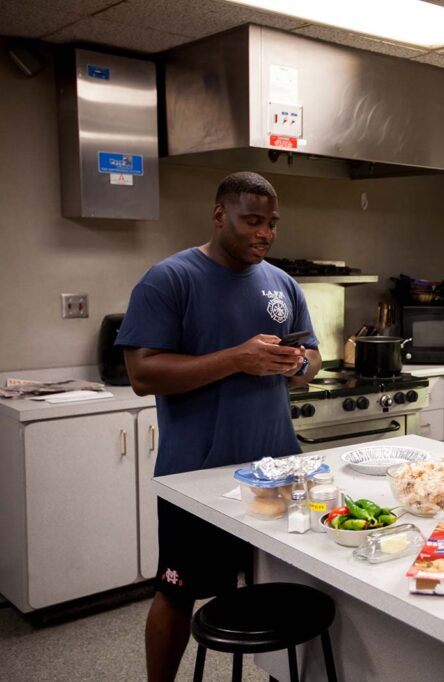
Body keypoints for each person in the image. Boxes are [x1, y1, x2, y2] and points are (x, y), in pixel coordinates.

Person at [116, 171, 322, 681]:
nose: (265, 233)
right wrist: (237, 359)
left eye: (272, 223)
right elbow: (143, 374)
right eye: (253, 220)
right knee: (178, 591)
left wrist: (295, 365)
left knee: (280, 590)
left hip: (277, 472)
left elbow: (312, 360)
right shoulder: (170, 278)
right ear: (219, 215)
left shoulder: (282, 284)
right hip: (197, 477)